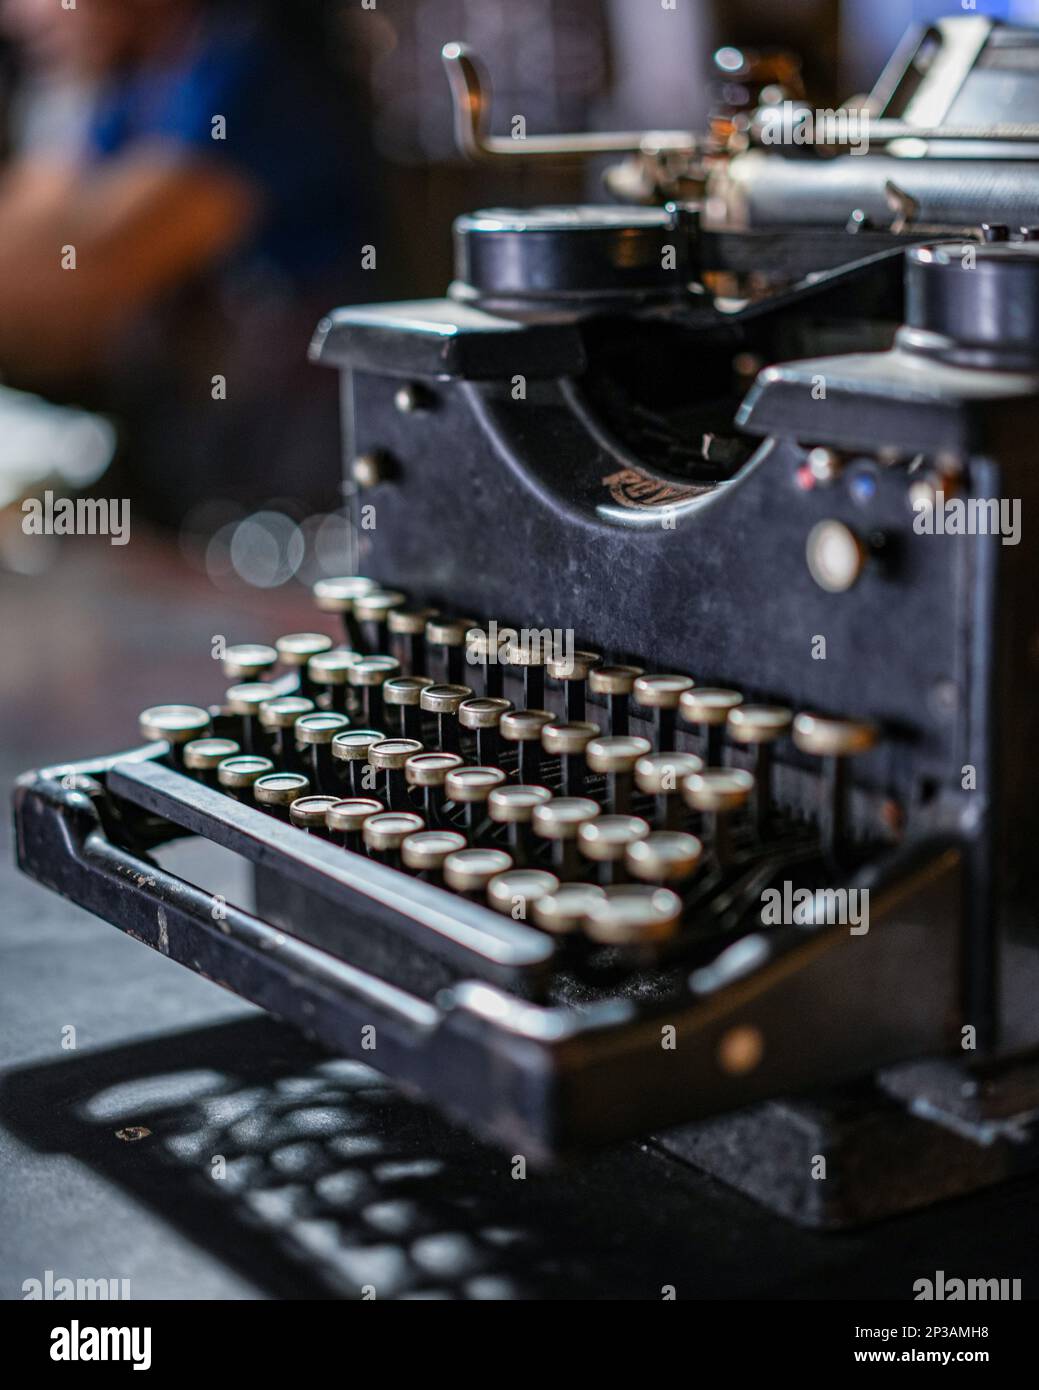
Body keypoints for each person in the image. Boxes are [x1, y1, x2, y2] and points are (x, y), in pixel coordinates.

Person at [0, 0, 380, 522]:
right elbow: (36, 239)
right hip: (202, 497)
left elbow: (73, 294)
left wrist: (67, 96)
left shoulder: (253, 70)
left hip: (307, 512)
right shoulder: (131, 83)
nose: (22, 17)